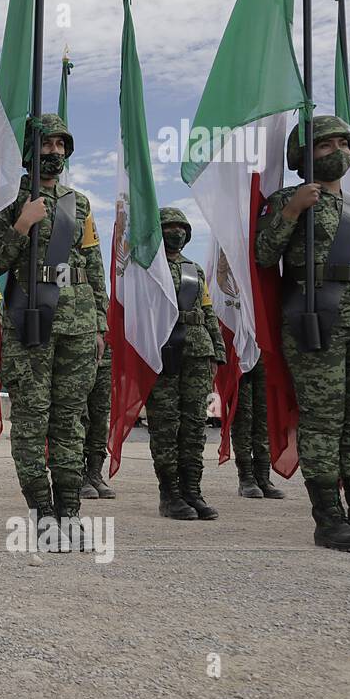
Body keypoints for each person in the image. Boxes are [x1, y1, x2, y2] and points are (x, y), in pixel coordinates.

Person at [255, 115, 350, 553]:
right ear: (303, 156)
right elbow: (264, 256)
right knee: (324, 422)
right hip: (316, 315)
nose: (336, 150)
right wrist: (292, 211)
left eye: (343, 143)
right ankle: (329, 521)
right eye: (325, 145)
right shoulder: (287, 199)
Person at [0, 113, 107, 545]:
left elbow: (93, 266)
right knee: (33, 421)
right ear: (29, 152)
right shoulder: (7, 200)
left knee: (70, 421)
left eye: (60, 145)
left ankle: (70, 513)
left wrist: (100, 324)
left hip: (77, 321)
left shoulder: (80, 205)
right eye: (46, 145)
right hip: (28, 318)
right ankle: (41, 513)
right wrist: (22, 225)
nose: (53, 152)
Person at [146, 207, 225, 521]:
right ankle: (170, 495)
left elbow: (208, 314)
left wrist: (217, 353)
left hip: (197, 350)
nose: (175, 231)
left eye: (181, 227)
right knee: (166, 426)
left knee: (193, 427)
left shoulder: (195, 271)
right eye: (169, 226)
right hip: (164, 350)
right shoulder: (148, 268)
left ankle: (193, 491)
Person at [231, 360, 282, 499]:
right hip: (240, 353)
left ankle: (263, 476)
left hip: (263, 353)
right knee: (243, 415)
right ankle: (246, 477)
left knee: (264, 415)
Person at [79, 332, 115, 499]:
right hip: (79, 344)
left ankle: (94, 473)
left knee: (100, 415)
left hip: (106, 349)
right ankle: (78, 475)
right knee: (79, 416)